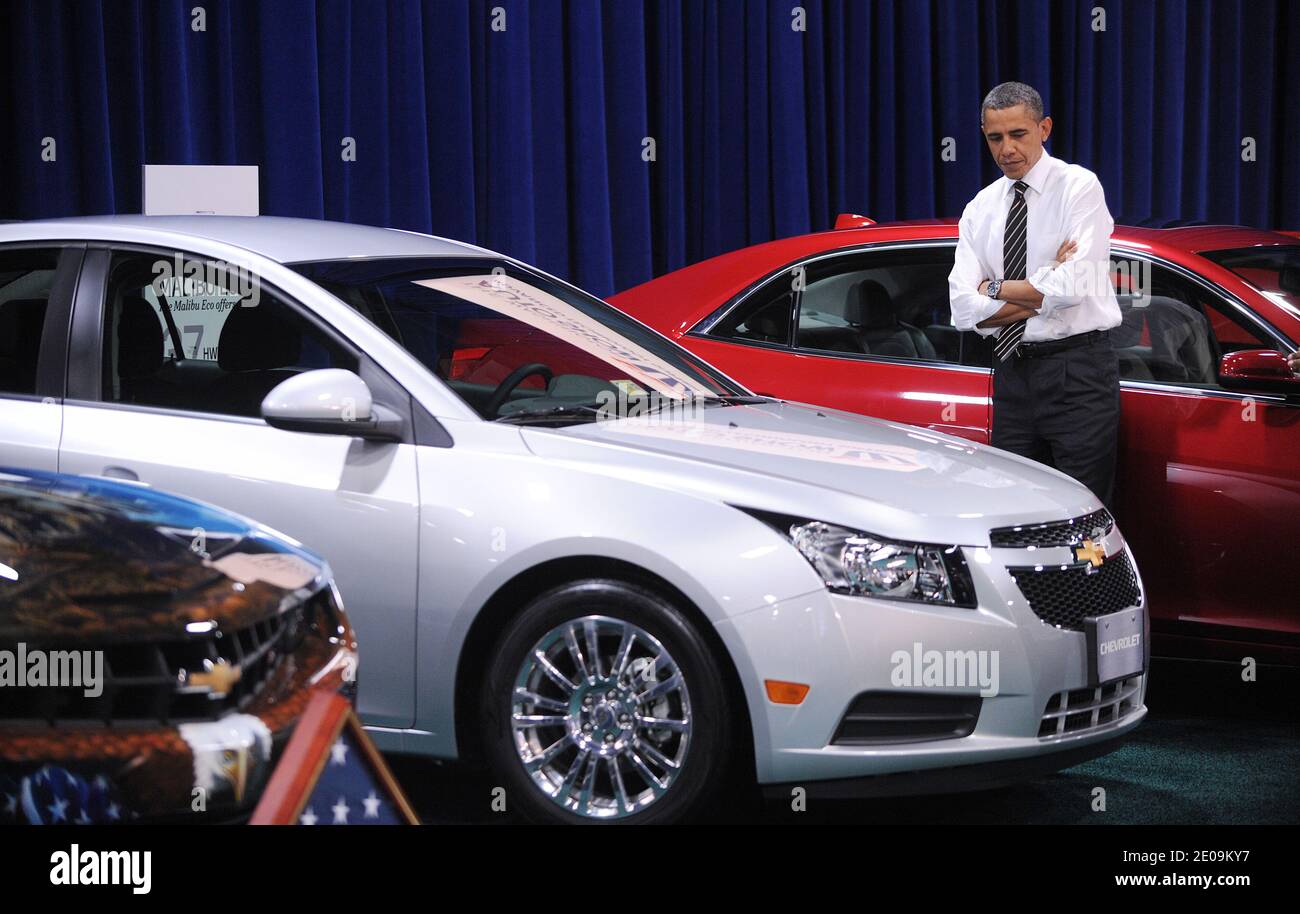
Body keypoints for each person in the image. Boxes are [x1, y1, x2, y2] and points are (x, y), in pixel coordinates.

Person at [949, 81, 1123, 508]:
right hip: (1011, 373)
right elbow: (961, 308)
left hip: (1078, 372)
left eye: (1018, 134)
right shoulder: (980, 207)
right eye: (995, 137)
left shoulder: (1079, 188)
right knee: (1014, 514)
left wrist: (991, 287)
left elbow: (1074, 287)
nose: (1006, 148)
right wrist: (1044, 283)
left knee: (1081, 514)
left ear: (1044, 128)